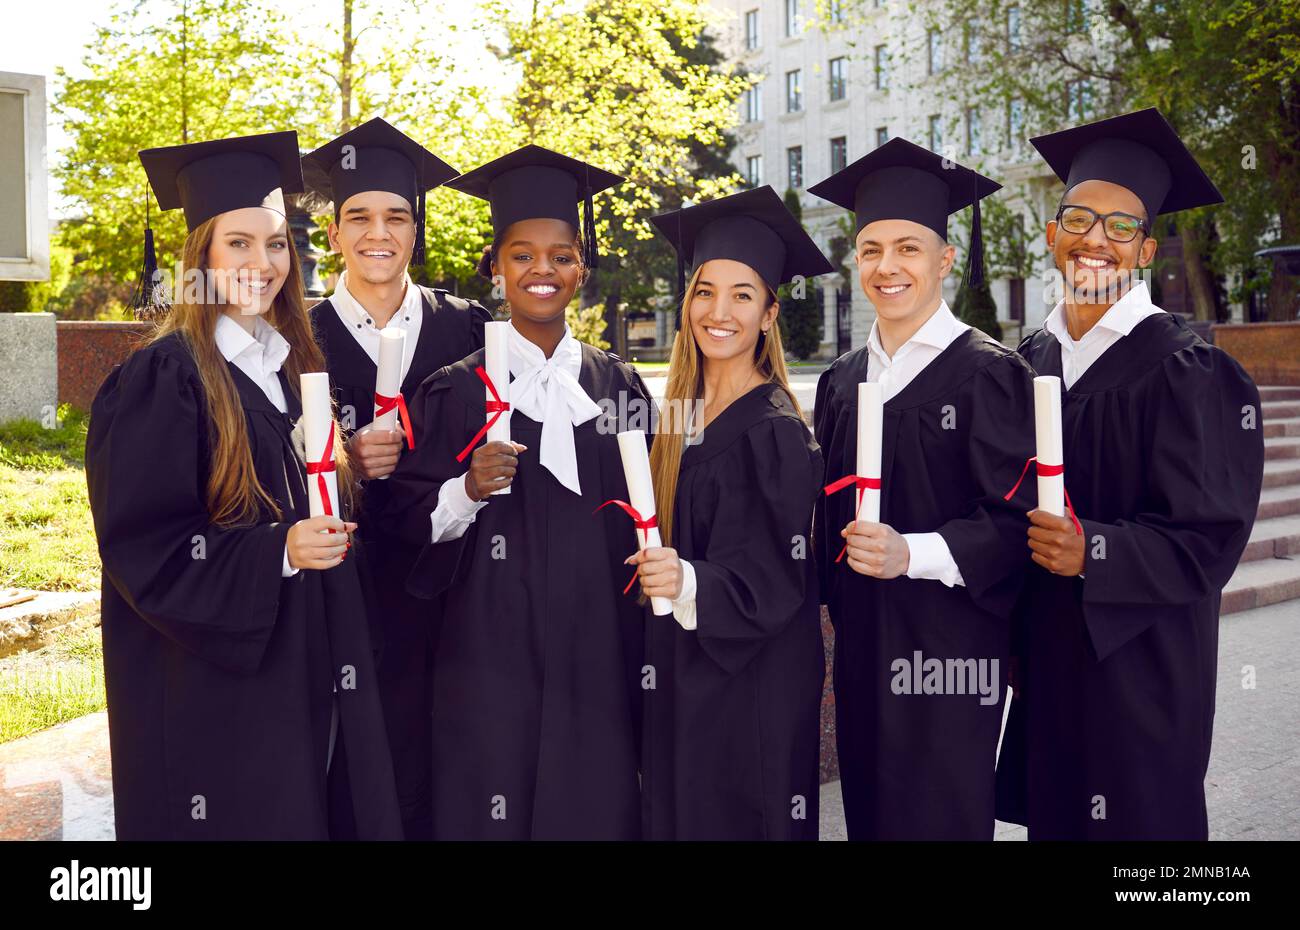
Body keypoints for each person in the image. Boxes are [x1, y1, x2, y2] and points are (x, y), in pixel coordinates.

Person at [85, 131, 401, 840]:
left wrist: (346, 467)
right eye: (239, 244)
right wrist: (279, 551)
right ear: (199, 256)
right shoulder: (164, 377)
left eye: (278, 244)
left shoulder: (287, 368)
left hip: (298, 664)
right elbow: (146, 549)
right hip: (211, 688)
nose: (264, 264)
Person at [996, 108, 1265, 840]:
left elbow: (1210, 538)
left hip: (1143, 668)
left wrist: (1097, 551)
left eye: (1121, 227)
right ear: (1053, 234)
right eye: (1079, 217)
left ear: (1145, 250)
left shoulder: (1191, 371)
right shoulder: (1024, 362)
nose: (1095, 240)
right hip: (1048, 663)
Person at [381, 145, 651, 839]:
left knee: (592, 802)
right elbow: (406, 525)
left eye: (562, 256)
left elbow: (651, 512)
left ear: (581, 271)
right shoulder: (453, 390)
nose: (543, 270)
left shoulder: (616, 385)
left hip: (598, 648)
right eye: (523, 255)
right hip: (485, 652)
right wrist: (466, 488)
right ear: (495, 267)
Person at [806, 138, 1038, 839]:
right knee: (870, 815)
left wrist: (914, 552)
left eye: (909, 247)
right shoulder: (842, 381)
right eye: (871, 248)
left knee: (940, 818)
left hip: (951, 653)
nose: (887, 266)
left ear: (944, 259)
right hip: (862, 648)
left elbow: (1017, 523)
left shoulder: (990, 373)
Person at [301, 117, 490, 839]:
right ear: (334, 235)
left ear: (416, 231)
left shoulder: (470, 329)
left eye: (397, 216)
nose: (378, 232)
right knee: (359, 777)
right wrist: (342, 461)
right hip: (344, 596)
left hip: (457, 593)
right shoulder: (295, 338)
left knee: (451, 769)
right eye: (358, 217)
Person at [633, 186, 828, 840]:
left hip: (750, 693)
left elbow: (774, 582)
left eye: (742, 295)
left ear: (771, 313)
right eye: (705, 291)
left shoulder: (774, 430)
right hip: (684, 681)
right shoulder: (680, 416)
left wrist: (685, 580)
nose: (719, 311)